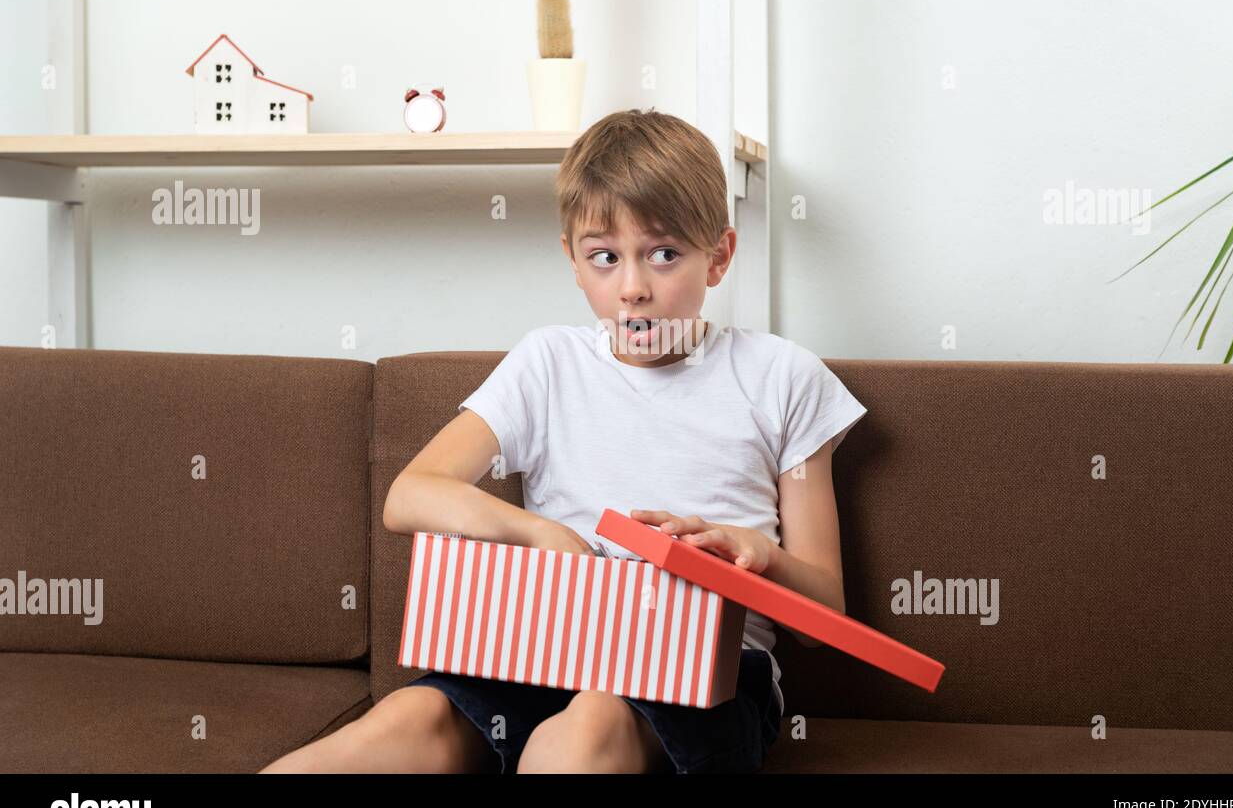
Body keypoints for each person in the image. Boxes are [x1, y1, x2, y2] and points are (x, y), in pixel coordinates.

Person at [260, 108, 867, 774]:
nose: (633, 288)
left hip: (705, 671)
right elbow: (410, 495)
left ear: (718, 255)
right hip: (549, 649)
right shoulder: (548, 362)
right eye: (604, 258)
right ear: (573, 262)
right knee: (411, 719)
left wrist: (756, 555)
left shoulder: (783, 376)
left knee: (594, 720)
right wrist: (536, 534)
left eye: (664, 254)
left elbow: (821, 617)